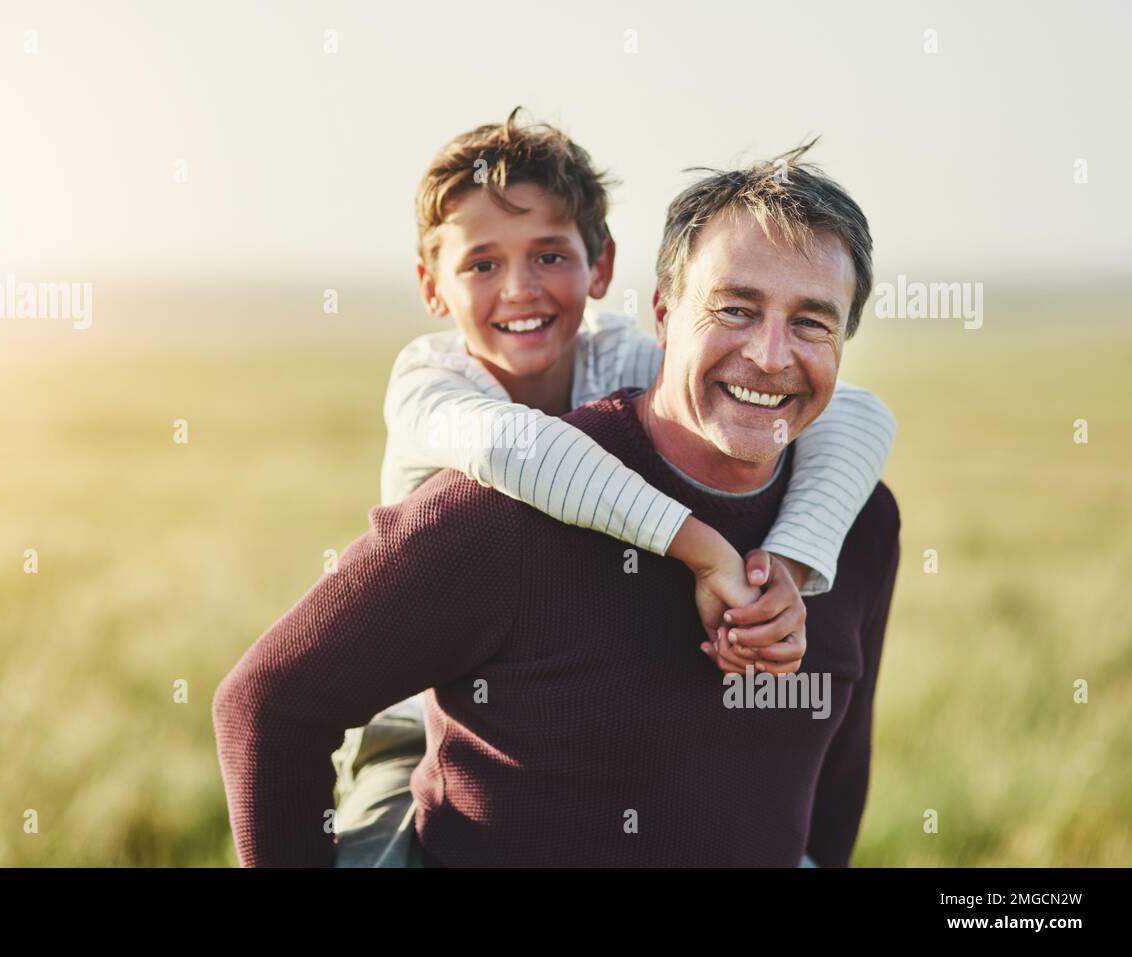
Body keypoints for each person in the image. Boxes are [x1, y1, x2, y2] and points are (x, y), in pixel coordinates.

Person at [213, 137, 900, 867]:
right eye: (735, 308)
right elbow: (268, 707)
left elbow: (861, 417)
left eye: (812, 321)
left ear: (600, 271)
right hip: (408, 716)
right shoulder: (479, 470)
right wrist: (702, 548)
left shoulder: (855, 516)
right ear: (665, 312)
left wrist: (789, 568)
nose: (768, 353)